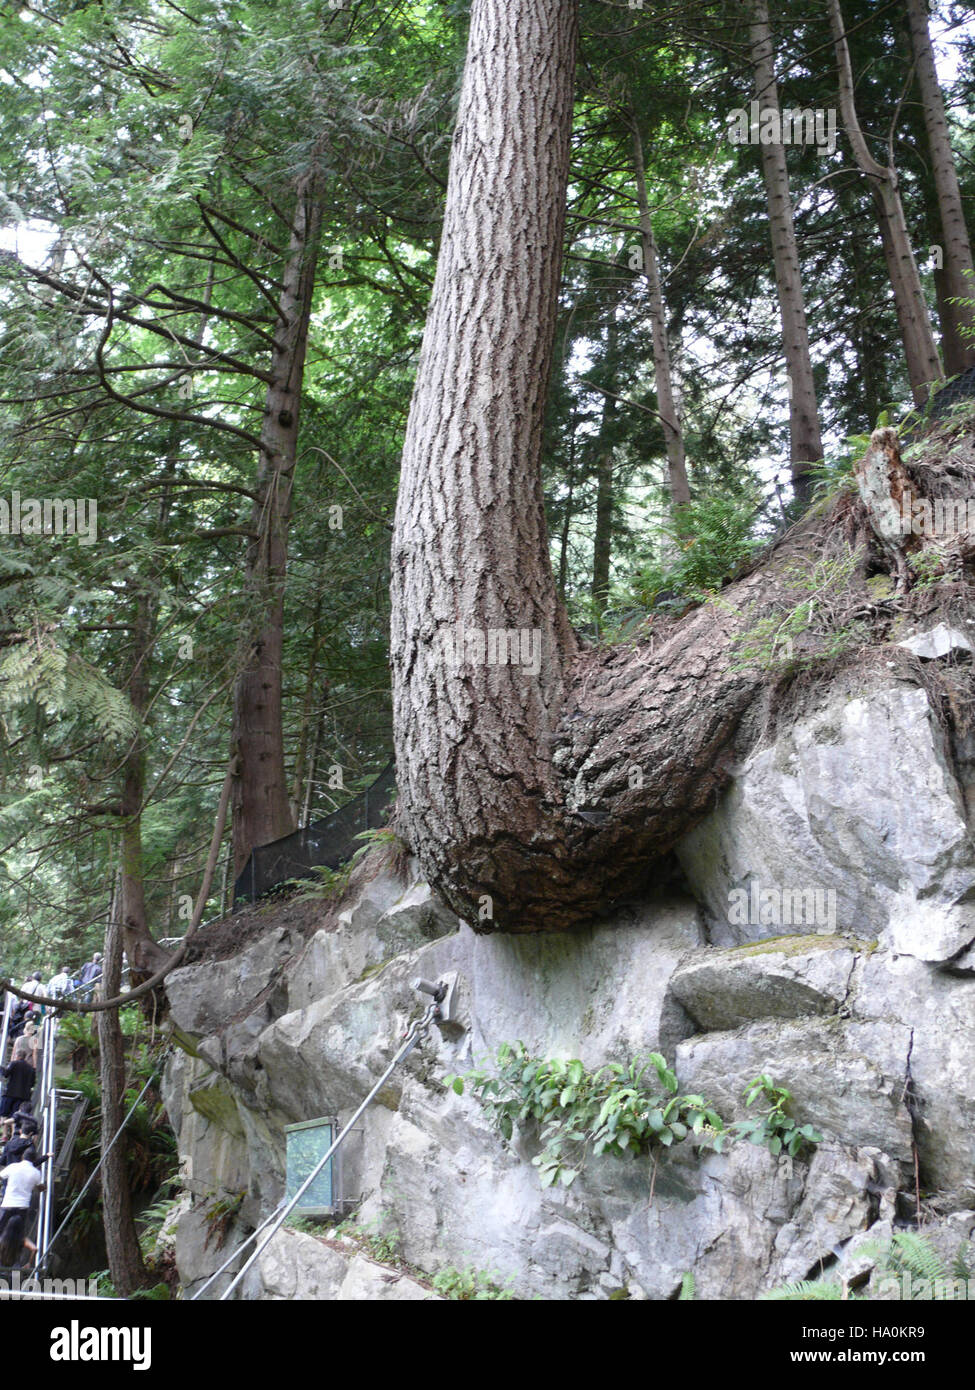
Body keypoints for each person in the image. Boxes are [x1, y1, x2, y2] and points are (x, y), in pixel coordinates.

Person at [0, 1140, 43, 1268]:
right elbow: (40, 1187)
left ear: (23, 1156)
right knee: (18, 1235)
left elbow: (1, 1176)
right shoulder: (36, 1173)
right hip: (22, 1207)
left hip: (7, 1204)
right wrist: (42, 1188)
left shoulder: (13, 1167)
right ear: (34, 1159)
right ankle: (15, 1262)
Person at [0, 1039, 35, 1119]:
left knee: (3, 1114)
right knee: (16, 1116)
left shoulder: (14, 1063)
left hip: (10, 1093)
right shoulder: (31, 1069)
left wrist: (1, 1068)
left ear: (17, 1056)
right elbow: (32, 1083)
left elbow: (6, 1074)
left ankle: (4, 1131)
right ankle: (13, 1131)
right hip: (23, 1096)